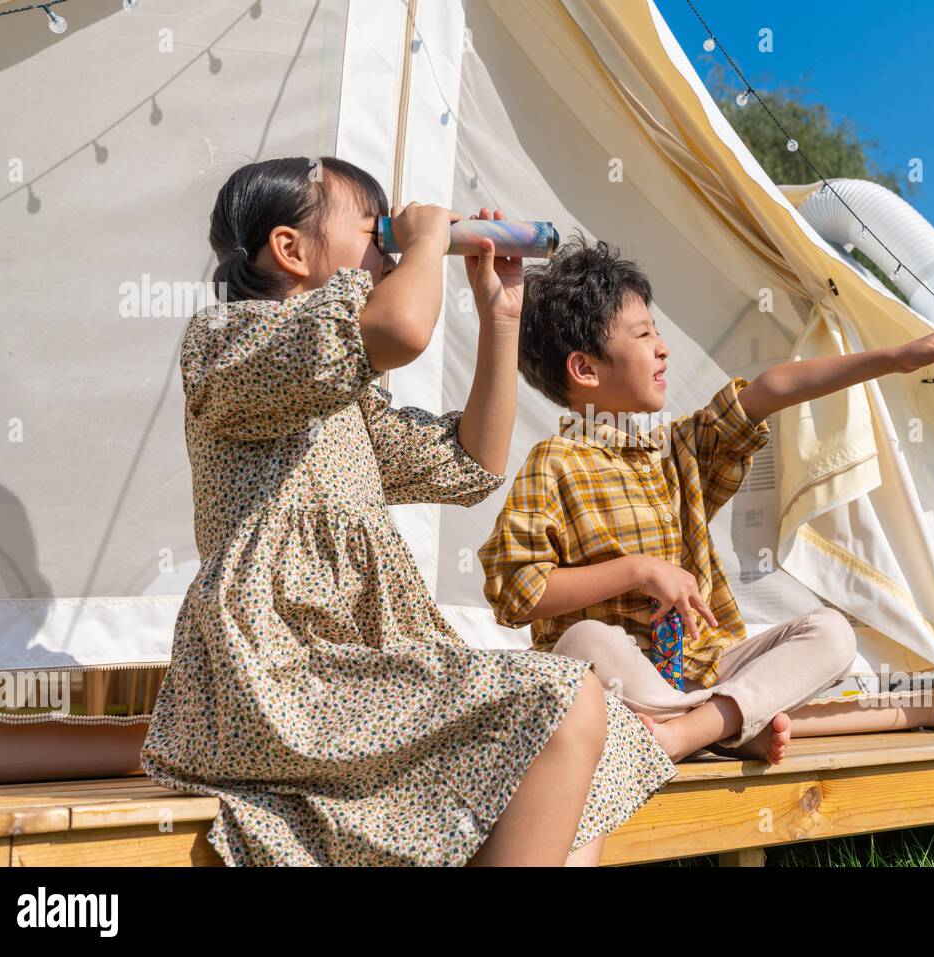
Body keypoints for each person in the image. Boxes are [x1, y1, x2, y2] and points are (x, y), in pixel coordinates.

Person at [139, 159, 675, 866]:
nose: (388, 250)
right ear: (290, 250)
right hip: (281, 674)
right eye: (374, 229)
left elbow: (471, 460)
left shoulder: (346, 397)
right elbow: (400, 328)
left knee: (584, 741)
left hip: (362, 672)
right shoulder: (230, 342)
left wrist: (500, 314)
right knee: (565, 703)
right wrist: (425, 242)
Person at [478, 236, 934, 765]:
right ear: (585, 369)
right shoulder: (555, 462)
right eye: (643, 333)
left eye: (658, 331)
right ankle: (719, 724)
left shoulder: (678, 451)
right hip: (621, 679)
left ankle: (685, 732)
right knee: (583, 642)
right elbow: (516, 594)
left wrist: (896, 358)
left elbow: (770, 389)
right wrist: (638, 571)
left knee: (830, 633)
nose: (663, 346)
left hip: (703, 668)